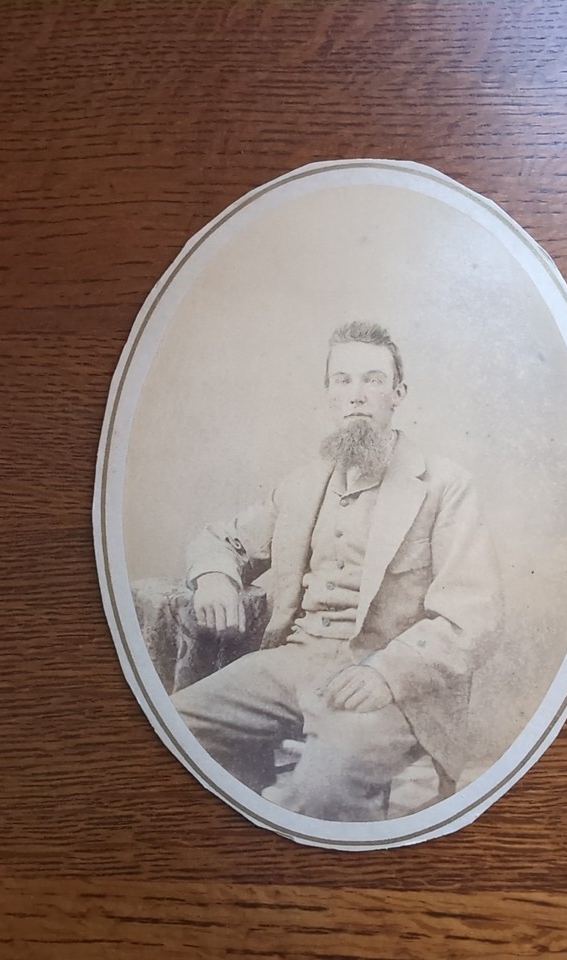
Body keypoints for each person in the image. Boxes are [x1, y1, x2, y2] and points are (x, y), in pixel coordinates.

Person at [172, 321, 502, 821]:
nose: (357, 396)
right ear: (328, 395)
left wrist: (389, 674)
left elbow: (473, 616)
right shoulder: (303, 485)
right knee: (173, 727)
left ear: (398, 393)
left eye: (372, 380)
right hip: (293, 664)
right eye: (342, 381)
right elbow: (224, 539)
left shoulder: (444, 486)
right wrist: (216, 574)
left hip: (388, 682)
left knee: (319, 797)